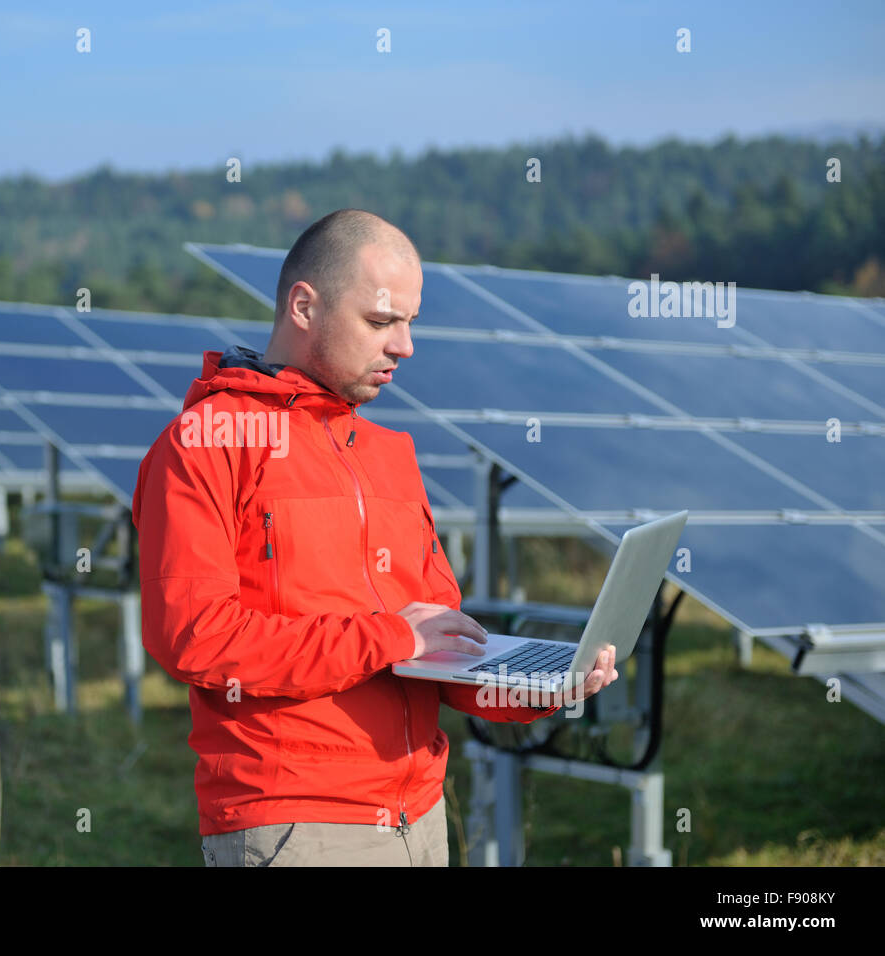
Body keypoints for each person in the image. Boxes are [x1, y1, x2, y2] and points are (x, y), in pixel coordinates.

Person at [131, 209, 620, 866]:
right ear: (304, 306)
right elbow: (195, 637)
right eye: (381, 321)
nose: (405, 345)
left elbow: (438, 654)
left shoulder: (388, 452)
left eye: (410, 322)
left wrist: (541, 687)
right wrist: (392, 636)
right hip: (297, 825)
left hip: (419, 817)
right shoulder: (209, 442)